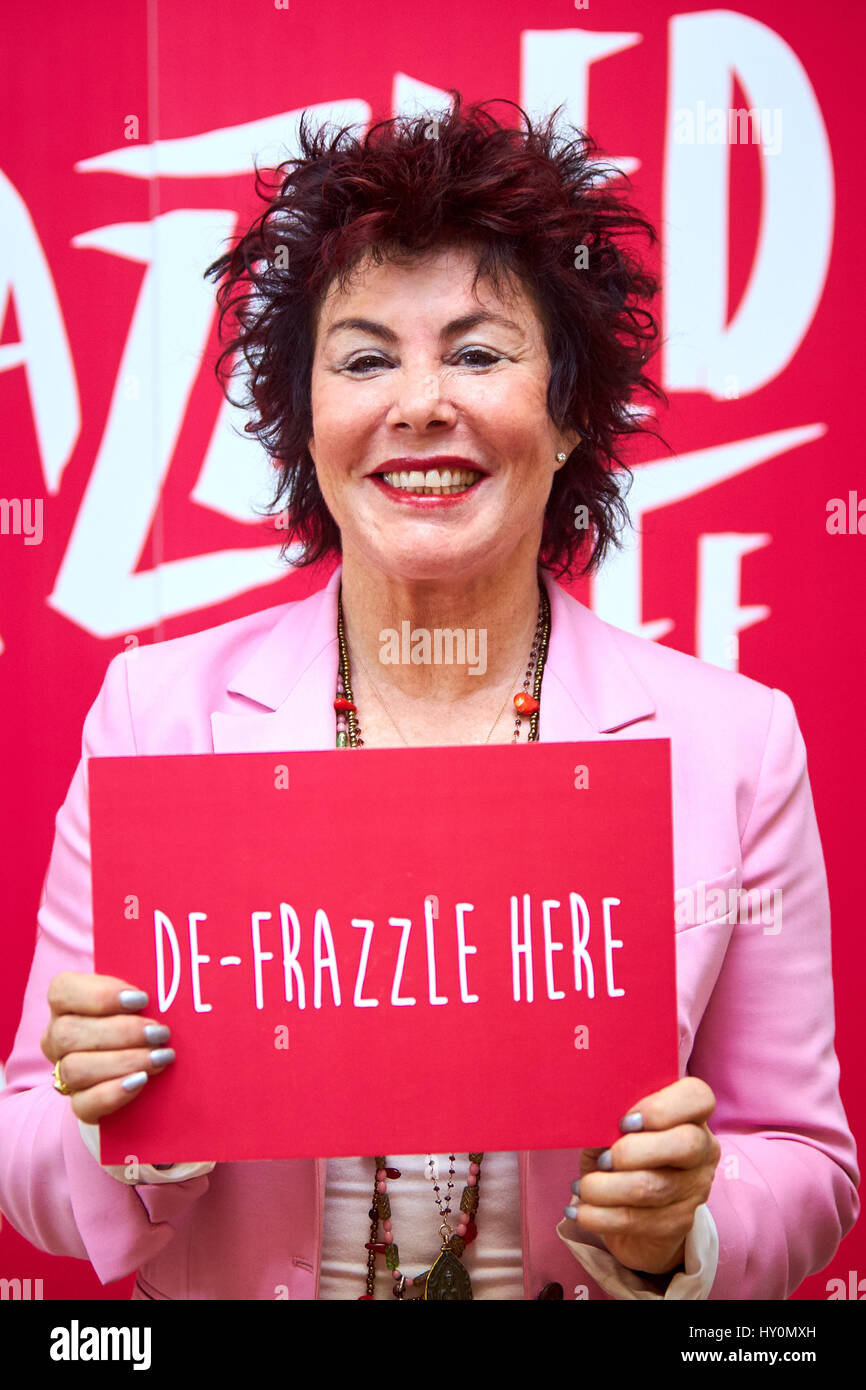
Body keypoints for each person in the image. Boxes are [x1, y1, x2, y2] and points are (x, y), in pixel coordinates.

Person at [0, 96, 857, 1301]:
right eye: (362, 358)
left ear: (568, 414)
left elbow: (804, 1164)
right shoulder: (155, 718)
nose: (417, 404)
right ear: (306, 423)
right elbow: (26, 1137)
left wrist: (688, 1225)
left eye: (476, 351)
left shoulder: (732, 742)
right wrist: (115, 1130)